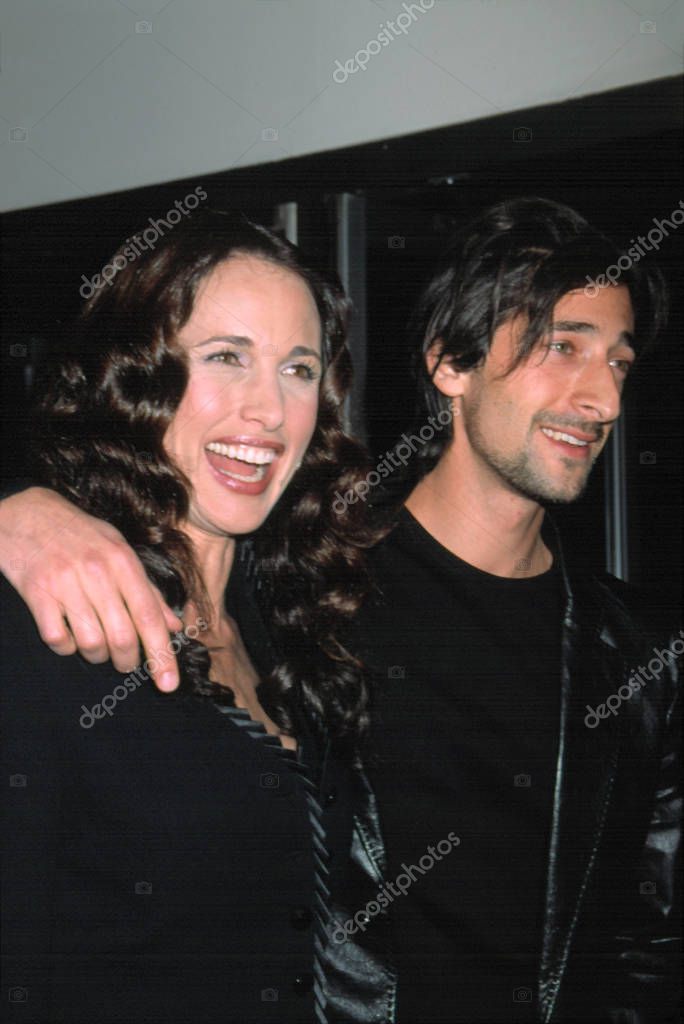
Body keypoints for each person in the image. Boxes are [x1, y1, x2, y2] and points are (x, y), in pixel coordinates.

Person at [2, 197, 681, 1023]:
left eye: (298, 368)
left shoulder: (640, 653)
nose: (602, 398)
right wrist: (20, 510)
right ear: (449, 366)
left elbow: (649, 938)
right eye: (561, 347)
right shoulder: (315, 587)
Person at [0, 210, 395, 1024]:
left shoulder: (297, 617)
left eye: (298, 369)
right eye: (226, 358)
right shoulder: (45, 619)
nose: (268, 411)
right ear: (136, 376)